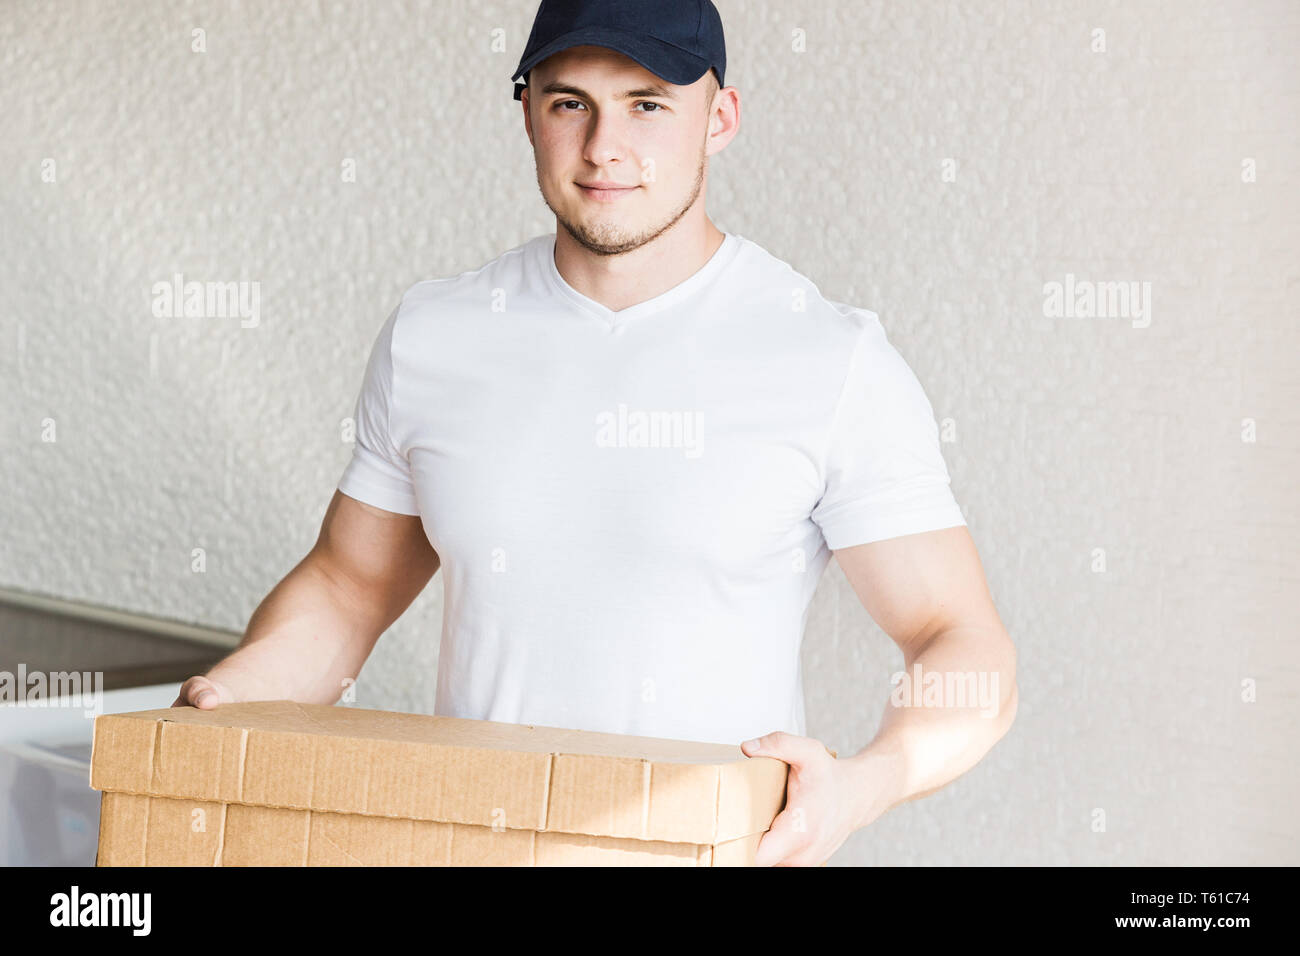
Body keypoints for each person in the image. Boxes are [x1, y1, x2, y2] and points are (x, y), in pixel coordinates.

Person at [174, 0, 1017, 866]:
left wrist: (860, 785)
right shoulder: (438, 334)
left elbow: (958, 636)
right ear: (529, 111)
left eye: (647, 104)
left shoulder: (828, 360)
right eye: (569, 102)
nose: (604, 146)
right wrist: (226, 699)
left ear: (718, 119)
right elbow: (349, 589)